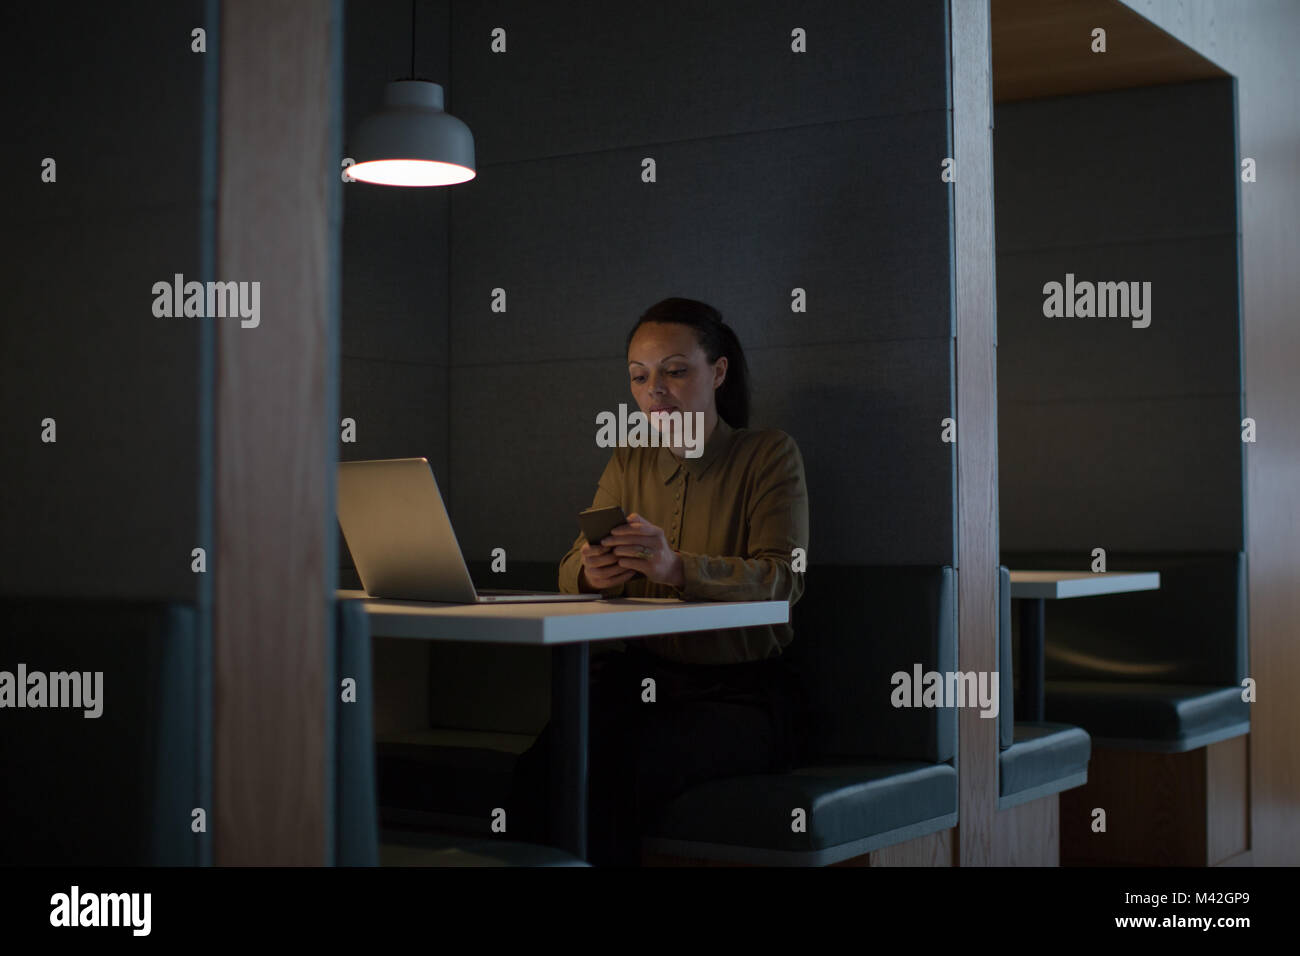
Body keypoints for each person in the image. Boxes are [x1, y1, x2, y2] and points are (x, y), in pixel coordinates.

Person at [508, 296, 810, 866]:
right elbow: (573, 564)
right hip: (639, 684)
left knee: (617, 777)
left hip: (738, 695)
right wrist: (590, 573)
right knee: (540, 769)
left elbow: (783, 578)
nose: (655, 390)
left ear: (717, 372)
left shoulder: (768, 454)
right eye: (640, 377)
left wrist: (677, 568)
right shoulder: (630, 460)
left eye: (675, 371)